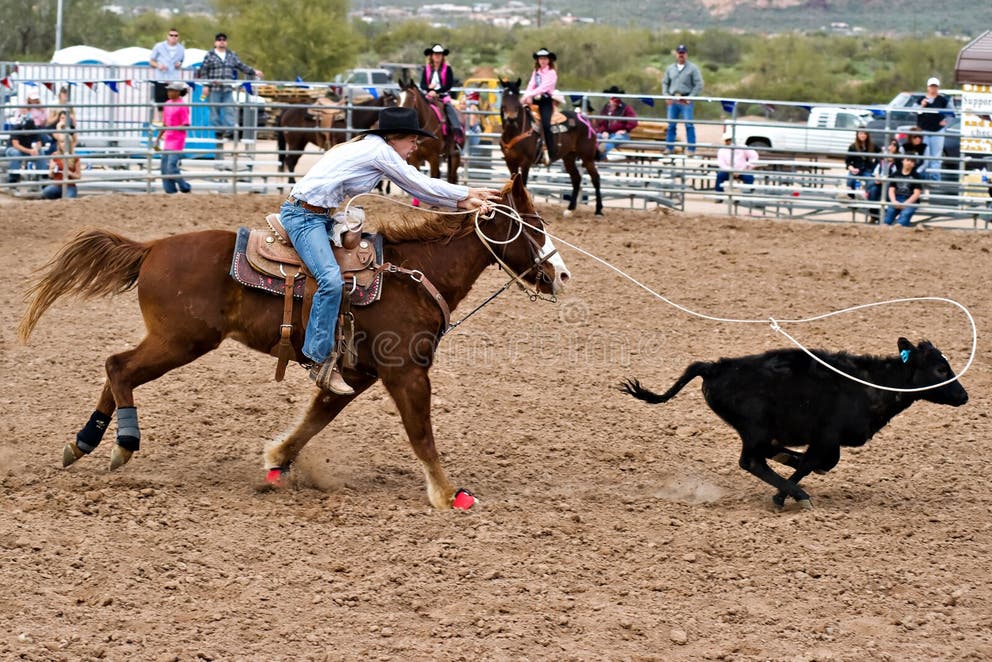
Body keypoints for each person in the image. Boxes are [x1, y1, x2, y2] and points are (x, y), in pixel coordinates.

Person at [281, 106, 500, 394]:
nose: (415, 147)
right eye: (412, 140)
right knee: (331, 280)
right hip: (305, 217)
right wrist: (467, 195)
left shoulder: (369, 147)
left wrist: (465, 200)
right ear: (395, 138)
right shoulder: (378, 152)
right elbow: (417, 183)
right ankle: (318, 358)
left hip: (318, 215)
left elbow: (417, 188)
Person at [196, 32, 263, 140]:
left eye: (224, 40)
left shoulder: (232, 55)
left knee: (230, 109)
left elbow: (241, 66)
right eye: (219, 39)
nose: (221, 41)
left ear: (226, 42)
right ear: (215, 42)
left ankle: (230, 131)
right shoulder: (209, 55)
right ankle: (218, 131)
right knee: (214, 111)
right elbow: (204, 71)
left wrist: (254, 71)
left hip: (227, 88)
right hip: (214, 88)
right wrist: (206, 85)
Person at [661, 44, 704, 155]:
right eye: (679, 53)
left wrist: (690, 97)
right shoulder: (670, 68)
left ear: (686, 54)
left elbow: (699, 84)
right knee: (671, 125)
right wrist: (666, 95)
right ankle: (669, 147)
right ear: (676, 54)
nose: (681, 55)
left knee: (688, 125)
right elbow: (665, 83)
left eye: (683, 53)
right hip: (673, 98)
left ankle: (691, 149)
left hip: (685, 100)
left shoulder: (693, 68)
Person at [419, 44, 464, 147]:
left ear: (442, 56)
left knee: (450, 110)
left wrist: (437, 91)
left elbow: (448, 85)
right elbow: (422, 84)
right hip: (429, 96)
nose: (437, 56)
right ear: (432, 55)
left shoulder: (447, 69)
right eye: (435, 54)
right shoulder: (426, 69)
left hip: (443, 96)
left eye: (439, 54)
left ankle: (456, 135)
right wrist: (429, 89)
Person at [521, 47, 559, 166]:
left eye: (544, 59)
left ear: (549, 60)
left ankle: (551, 151)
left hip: (545, 101)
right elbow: (531, 84)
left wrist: (529, 95)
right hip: (534, 99)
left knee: (546, 124)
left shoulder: (551, 73)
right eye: (540, 58)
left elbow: (544, 88)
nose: (542, 61)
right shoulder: (536, 72)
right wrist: (526, 96)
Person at [154, 81, 192, 194]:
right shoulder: (167, 103)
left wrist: (172, 127)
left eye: (171, 90)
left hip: (177, 139)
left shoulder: (182, 106)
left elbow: (185, 124)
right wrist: (158, 138)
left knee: (170, 166)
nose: (169, 92)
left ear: (178, 92)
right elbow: (165, 124)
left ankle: (185, 186)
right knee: (164, 167)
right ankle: (170, 190)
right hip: (168, 139)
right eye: (169, 90)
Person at [149, 28, 186, 123]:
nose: (173, 37)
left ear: (178, 37)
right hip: (161, 79)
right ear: (167, 36)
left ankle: (170, 126)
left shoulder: (181, 49)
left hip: (174, 81)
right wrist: (158, 65)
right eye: (171, 35)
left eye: (176, 35)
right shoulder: (158, 46)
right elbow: (151, 61)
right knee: (160, 106)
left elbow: (180, 61)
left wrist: (179, 64)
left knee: (173, 105)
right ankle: (162, 127)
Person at [916, 77, 949, 182]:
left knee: (936, 156)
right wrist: (922, 106)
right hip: (923, 130)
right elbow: (913, 111)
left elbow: (952, 112)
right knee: (925, 156)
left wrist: (946, 121)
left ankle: (934, 179)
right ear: (928, 87)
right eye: (931, 86)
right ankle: (924, 178)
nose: (933, 88)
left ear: (938, 87)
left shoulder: (943, 100)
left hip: (937, 131)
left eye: (935, 86)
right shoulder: (920, 99)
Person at [595, 86, 638, 161]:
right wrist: (604, 131)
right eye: (612, 97)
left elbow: (633, 121)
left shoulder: (626, 108)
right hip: (608, 133)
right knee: (596, 136)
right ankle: (600, 156)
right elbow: (601, 122)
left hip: (621, 134)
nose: (613, 100)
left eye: (615, 97)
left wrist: (625, 130)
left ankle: (602, 152)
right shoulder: (606, 107)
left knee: (616, 138)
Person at [867, 138, 903, 223]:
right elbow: (874, 169)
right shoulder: (880, 156)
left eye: (894, 145)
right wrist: (877, 176)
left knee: (888, 191)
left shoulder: (899, 159)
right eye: (890, 144)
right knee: (873, 190)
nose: (892, 146)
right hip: (879, 181)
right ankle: (874, 215)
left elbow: (898, 174)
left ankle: (883, 217)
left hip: (890, 183)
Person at [883, 156, 923, 227]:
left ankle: (900, 226)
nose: (909, 163)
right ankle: (885, 225)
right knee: (890, 211)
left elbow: (916, 194)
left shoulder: (916, 176)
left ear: (914, 164)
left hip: (911, 200)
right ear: (903, 161)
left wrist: (906, 203)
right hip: (897, 198)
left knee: (906, 213)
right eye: (908, 160)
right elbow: (891, 190)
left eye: (912, 161)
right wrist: (893, 201)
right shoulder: (895, 174)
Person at [41, 133, 81, 200]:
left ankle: (62, 197)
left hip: (70, 186)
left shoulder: (75, 157)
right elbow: (51, 176)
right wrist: (52, 170)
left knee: (69, 197)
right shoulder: (54, 155)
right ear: (59, 144)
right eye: (62, 142)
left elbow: (78, 176)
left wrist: (70, 173)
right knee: (46, 192)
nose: (64, 144)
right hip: (57, 185)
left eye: (66, 142)